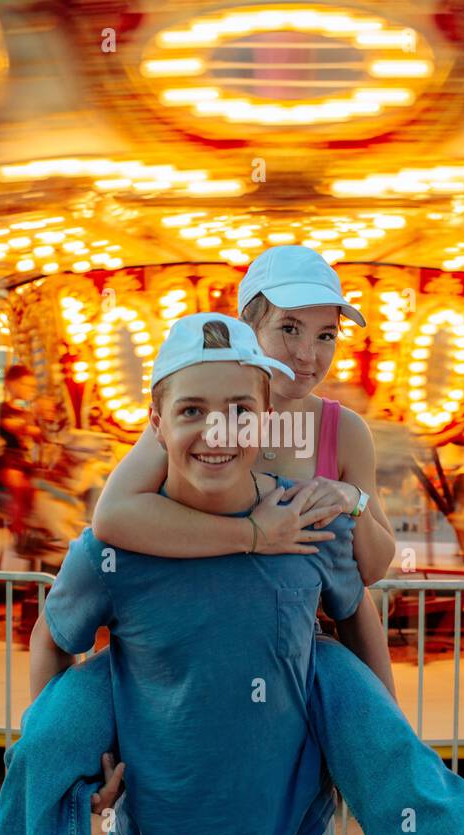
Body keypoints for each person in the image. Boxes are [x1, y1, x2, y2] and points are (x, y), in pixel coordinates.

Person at [0, 313, 464, 835]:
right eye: (192, 410)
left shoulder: (312, 521)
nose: (218, 431)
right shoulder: (112, 553)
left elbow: (357, 621)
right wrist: (69, 759)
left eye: (240, 411)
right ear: (156, 423)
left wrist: (375, 753)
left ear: (267, 420)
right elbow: (53, 638)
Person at [93, 244, 397, 695]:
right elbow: (112, 515)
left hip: (289, 651)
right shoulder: (205, 414)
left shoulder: (344, 430)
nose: (308, 355)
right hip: (188, 635)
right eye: (289, 329)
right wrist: (255, 534)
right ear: (249, 327)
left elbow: (372, 569)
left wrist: (354, 502)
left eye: (326, 335)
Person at [0, 365, 42, 535]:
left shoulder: (27, 411)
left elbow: (38, 434)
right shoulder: (2, 409)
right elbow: (12, 427)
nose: (30, 389)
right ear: (11, 384)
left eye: (33, 386)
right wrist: (29, 424)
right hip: (5, 461)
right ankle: (17, 531)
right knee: (19, 487)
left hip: (24, 461)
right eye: (25, 385)